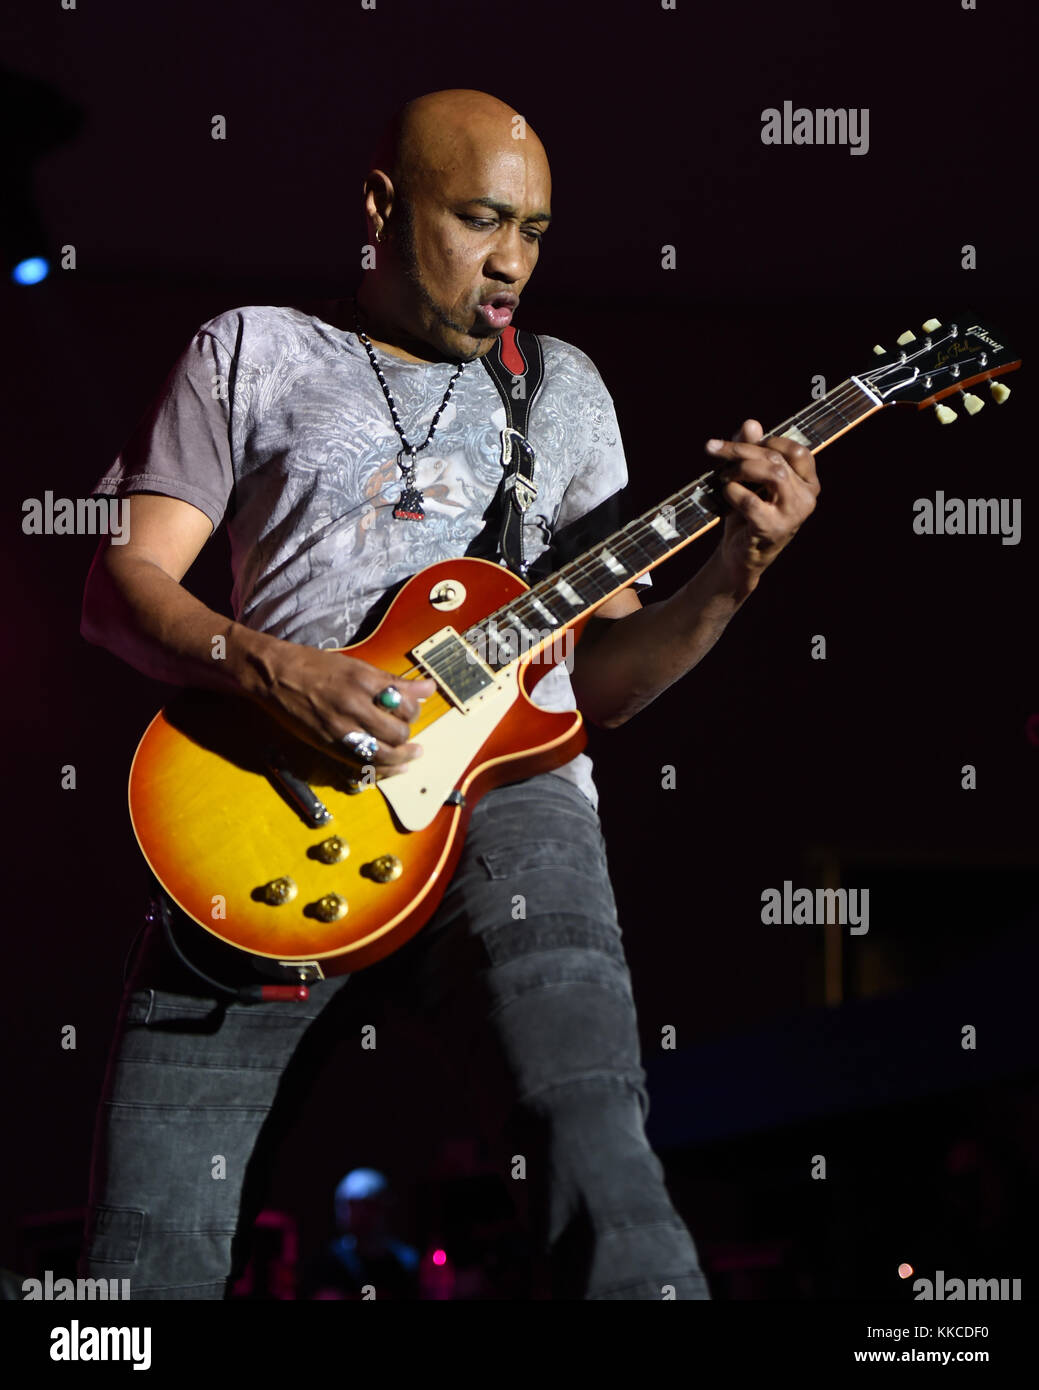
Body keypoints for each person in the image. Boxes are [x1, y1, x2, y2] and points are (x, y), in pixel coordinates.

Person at [78, 88, 819, 1300]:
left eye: (533, 230)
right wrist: (277, 666)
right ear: (383, 204)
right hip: (271, 802)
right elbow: (119, 588)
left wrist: (735, 575)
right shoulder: (252, 349)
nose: (512, 261)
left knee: (606, 1178)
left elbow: (605, 686)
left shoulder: (566, 392)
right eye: (482, 220)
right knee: (138, 1265)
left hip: (515, 806)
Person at [300, 1169, 419, 1301]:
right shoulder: (326, 1263)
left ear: (385, 1209)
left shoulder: (407, 1262)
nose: (360, 1215)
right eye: (351, 1205)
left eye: (369, 1206)